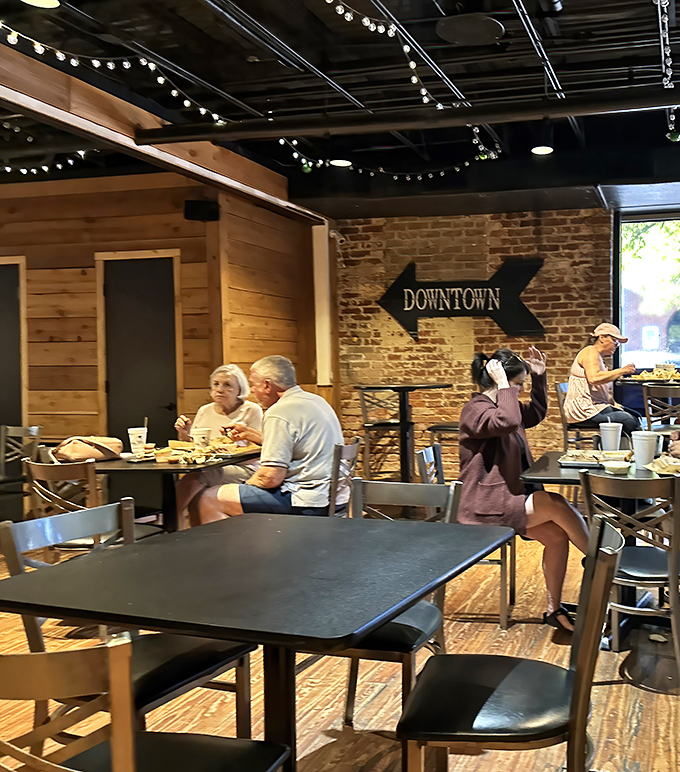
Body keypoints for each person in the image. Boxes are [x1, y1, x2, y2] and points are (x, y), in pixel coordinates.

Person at [458, 346, 590, 633]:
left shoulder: (504, 406)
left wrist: (539, 378)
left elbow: (534, 414)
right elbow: (507, 422)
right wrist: (505, 386)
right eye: (518, 385)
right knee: (555, 503)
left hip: (508, 497)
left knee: (556, 537)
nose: (518, 392)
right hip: (485, 505)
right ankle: (602, 562)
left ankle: (554, 609)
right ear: (499, 381)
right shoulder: (475, 410)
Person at [193, 355, 345, 523]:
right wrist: (249, 433)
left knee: (210, 497)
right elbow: (293, 444)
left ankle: (232, 549)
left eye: (253, 384)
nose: (251, 390)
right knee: (236, 492)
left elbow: (271, 477)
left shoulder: (279, 412)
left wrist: (245, 487)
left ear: (266, 385)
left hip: (305, 500)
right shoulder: (316, 401)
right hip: (335, 496)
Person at [173, 364, 263, 525]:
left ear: (239, 390)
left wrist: (230, 450)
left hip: (245, 468)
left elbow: (260, 447)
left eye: (227, 385)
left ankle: (171, 523)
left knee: (196, 477)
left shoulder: (251, 410)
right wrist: (184, 434)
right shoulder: (204, 410)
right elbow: (195, 447)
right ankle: (190, 534)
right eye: (216, 384)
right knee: (196, 490)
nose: (220, 389)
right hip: (210, 467)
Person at [563, 323, 641, 435]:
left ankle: (628, 448)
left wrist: (615, 404)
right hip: (583, 410)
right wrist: (622, 370)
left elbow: (600, 391)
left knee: (636, 416)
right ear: (602, 338)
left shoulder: (599, 357)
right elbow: (594, 378)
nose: (616, 345)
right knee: (628, 421)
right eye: (615, 340)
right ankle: (634, 449)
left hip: (596, 406)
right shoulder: (590, 351)